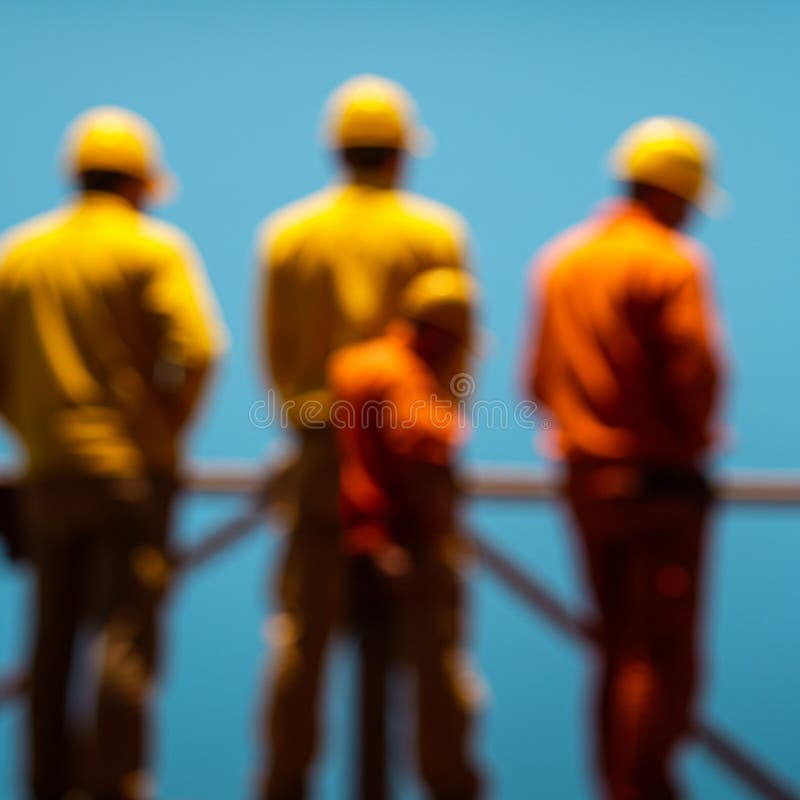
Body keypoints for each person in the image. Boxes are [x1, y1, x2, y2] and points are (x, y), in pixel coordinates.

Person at [0, 106, 226, 800]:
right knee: (124, 640)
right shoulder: (151, 248)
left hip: (46, 476)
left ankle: (44, 783)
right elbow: (198, 350)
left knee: (50, 647)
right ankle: (111, 786)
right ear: (138, 182)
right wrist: (163, 435)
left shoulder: (19, 254)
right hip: (128, 473)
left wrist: (32, 431)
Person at [256, 75, 471, 799]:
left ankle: (284, 782)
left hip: (319, 450)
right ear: (401, 154)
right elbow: (455, 356)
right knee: (432, 637)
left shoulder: (289, 236)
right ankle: (450, 781)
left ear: (337, 151)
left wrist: (314, 424)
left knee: (303, 632)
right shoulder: (434, 235)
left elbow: (278, 361)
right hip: (410, 455)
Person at [522, 117, 726, 800]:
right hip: (659, 485)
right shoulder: (669, 261)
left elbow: (535, 383)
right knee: (657, 652)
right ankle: (644, 788)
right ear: (674, 192)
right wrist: (696, 436)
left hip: (585, 484)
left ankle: (617, 781)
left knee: (614, 651)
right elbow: (692, 370)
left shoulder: (561, 262)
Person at [328, 268, 484, 800]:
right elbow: (418, 452)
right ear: (440, 335)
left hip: (359, 544)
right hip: (408, 551)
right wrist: (433, 540)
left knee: (368, 695)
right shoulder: (408, 377)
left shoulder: (354, 364)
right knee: (438, 691)